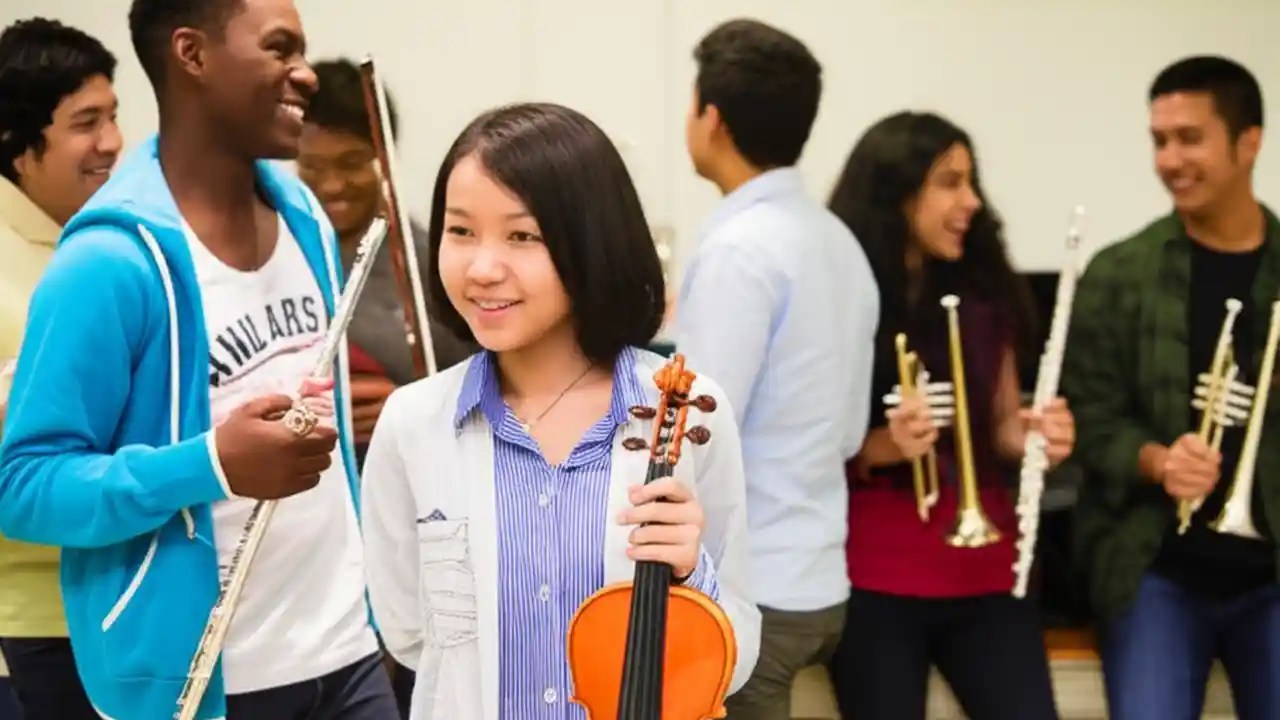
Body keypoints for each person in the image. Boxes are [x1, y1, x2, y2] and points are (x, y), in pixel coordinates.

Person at [0, 0, 401, 718]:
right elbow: (26, 486)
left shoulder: (305, 215)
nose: (305, 74)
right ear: (192, 55)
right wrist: (209, 465)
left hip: (347, 650)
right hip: (210, 681)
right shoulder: (106, 263)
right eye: (280, 49)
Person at [359, 101, 760, 718]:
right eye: (460, 231)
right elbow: (409, 633)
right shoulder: (412, 424)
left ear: (592, 245)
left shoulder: (687, 415)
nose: (482, 267)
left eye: (523, 236)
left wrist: (691, 576)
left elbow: (734, 651)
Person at [825, 111, 1074, 720]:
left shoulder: (988, 297)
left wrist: (1037, 434)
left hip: (987, 573)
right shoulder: (839, 296)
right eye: (949, 182)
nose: (972, 202)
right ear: (895, 192)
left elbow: (1003, 428)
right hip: (874, 576)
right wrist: (883, 444)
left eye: (971, 181)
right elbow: (803, 439)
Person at [1061, 55, 1280, 720]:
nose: (1169, 159)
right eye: (1159, 140)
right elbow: (1090, 420)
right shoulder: (1118, 273)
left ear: (1249, 142)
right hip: (1154, 567)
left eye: (1190, 138)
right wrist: (1157, 460)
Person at [672, 18, 877, 717]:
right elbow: (850, 434)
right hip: (822, 583)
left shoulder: (740, 249)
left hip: (755, 588)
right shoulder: (838, 241)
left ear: (713, 119)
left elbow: (698, 433)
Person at [0, 16, 121, 720]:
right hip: (23, 627)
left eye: (112, 116)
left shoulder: (104, 241)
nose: (112, 142)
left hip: (116, 610)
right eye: (85, 122)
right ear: (18, 147)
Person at [297, 57, 476, 468]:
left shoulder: (438, 263)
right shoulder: (272, 260)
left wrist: (410, 412)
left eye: (351, 163)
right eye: (311, 166)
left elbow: (502, 391)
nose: (332, 185)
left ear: (385, 155)